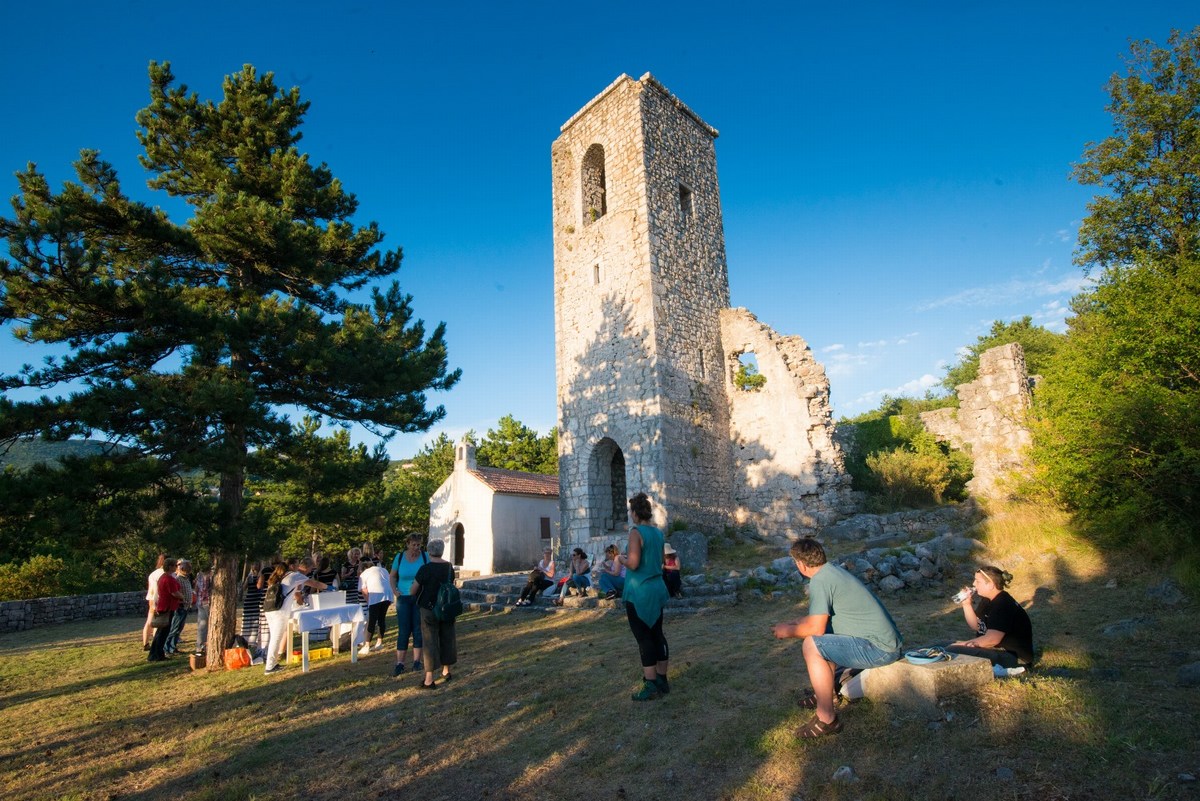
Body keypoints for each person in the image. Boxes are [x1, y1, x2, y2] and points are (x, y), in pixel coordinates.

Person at [772, 537, 903, 738]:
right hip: (884, 644)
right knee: (825, 637)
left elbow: (816, 628)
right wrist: (794, 623)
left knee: (812, 645)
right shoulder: (830, 572)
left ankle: (827, 719)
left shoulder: (820, 581)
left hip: (880, 649)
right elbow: (819, 617)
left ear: (800, 564)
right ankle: (826, 695)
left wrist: (786, 632)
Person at [618, 492, 670, 701]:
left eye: (630, 511)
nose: (630, 515)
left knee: (643, 637)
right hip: (657, 587)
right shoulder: (657, 533)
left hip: (640, 590)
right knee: (657, 633)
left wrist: (621, 559)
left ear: (636, 513)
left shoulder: (635, 532)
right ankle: (662, 679)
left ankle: (650, 685)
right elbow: (660, 561)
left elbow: (633, 563)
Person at [947, 565, 1035, 671]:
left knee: (950, 650)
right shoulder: (987, 600)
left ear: (990, 585)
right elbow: (976, 626)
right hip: (993, 649)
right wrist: (966, 604)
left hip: (1012, 657)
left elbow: (992, 639)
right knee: (941, 645)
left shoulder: (1003, 604)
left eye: (977, 581)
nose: (974, 584)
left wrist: (961, 645)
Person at [264, 558, 328, 675]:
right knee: (276, 638)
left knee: (274, 637)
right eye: (297, 564)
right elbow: (314, 583)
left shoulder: (279, 576)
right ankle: (269, 667)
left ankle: (272, 663)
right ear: (292, 566)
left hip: (269, 610)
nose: (299, 567)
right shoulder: (294, 576)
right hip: (280, 611)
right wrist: (327, 587)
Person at [411, 539, 457, 689]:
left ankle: (429, 679)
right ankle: (446, 670)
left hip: (428, 607)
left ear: (429, 552)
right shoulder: (449, 567)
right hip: (446, 607)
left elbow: (413, 589)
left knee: (430, 640)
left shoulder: (425, 569)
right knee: (447, 637)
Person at [390, 534, 428, 677]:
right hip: (403, 598)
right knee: (404, 630)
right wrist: (395, 590)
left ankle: (417, 661)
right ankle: (400, 663)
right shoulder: (399, 558)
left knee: (418, 630)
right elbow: (392, 575)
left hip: (419, 597)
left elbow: (429, 572)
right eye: (414, 545)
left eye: (418, 545)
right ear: (408, 544)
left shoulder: (425, 557)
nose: (416, 548)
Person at [148, 558, 183, 662]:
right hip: (167, 607)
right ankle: (157, 655)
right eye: (175, 566)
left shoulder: (163, 577)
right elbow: (174, 592)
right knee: (163, 633)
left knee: (160, 632)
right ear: (171, 567)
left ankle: (154, 654)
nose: (176, 568)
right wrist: (182, 597)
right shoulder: (168, 579)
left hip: (163, 605)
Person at [358, 557, 395, 654]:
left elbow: (364, 590)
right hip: (388, 594)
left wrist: (369, 602)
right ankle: (379, 642)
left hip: (376, 594)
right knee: (381, 618)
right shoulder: (383, 569)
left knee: (372, 620)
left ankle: (366, 645)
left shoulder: (364, 574)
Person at [164, 559, 194, 655]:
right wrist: (182, 598)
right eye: (186, 568)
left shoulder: (186, 578)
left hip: (185, 606)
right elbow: (175, 593)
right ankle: (166, 648)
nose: (188, 570)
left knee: (179, 629)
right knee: (174, 628)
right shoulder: (178, 579)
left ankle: (173, 647)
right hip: (180, 606)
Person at [142, 553, 167, 650]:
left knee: (149, 622)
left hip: (151, 598)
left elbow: (150, 587)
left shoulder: (153, 573)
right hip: (159, 599)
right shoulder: (164, 574)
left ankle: (145, 643)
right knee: (158, 623)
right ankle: (156, 644)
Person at [193, 562, 211, 654]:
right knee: (210, 625)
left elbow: (196, 588)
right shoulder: (210, 576)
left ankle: (199, 648)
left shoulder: (199, 574)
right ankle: (208, 646)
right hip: (208, 602)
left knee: (201, 626)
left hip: (200, 602)